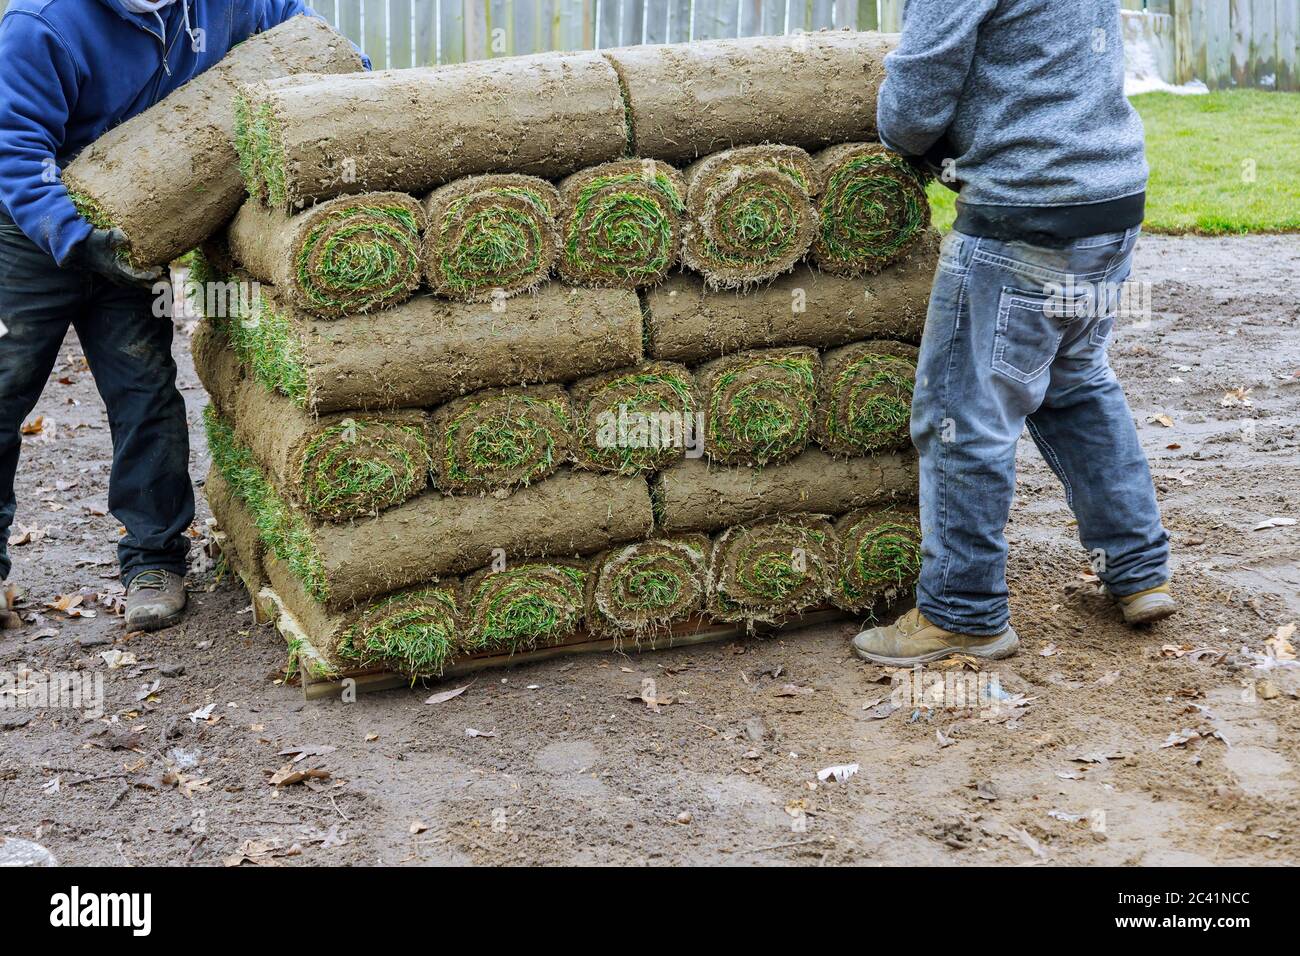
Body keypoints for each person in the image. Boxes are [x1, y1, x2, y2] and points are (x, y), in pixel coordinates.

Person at [0, 0, 363, 631]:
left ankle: (154, 560)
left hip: (130, 230)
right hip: (30, 234)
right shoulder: (43, 24)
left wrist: (353, 71)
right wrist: (75, 237)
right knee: (3, 392)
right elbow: (12, 144)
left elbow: (301, 29)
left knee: (144, 393)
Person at [852, 0, 1176, 666]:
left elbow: (913, 103)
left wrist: (902, 134)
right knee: (1074, 380)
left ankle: (962, 613)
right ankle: (1139, 568)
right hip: (1108, 196)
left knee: (964, 414)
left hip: (1025, 210)